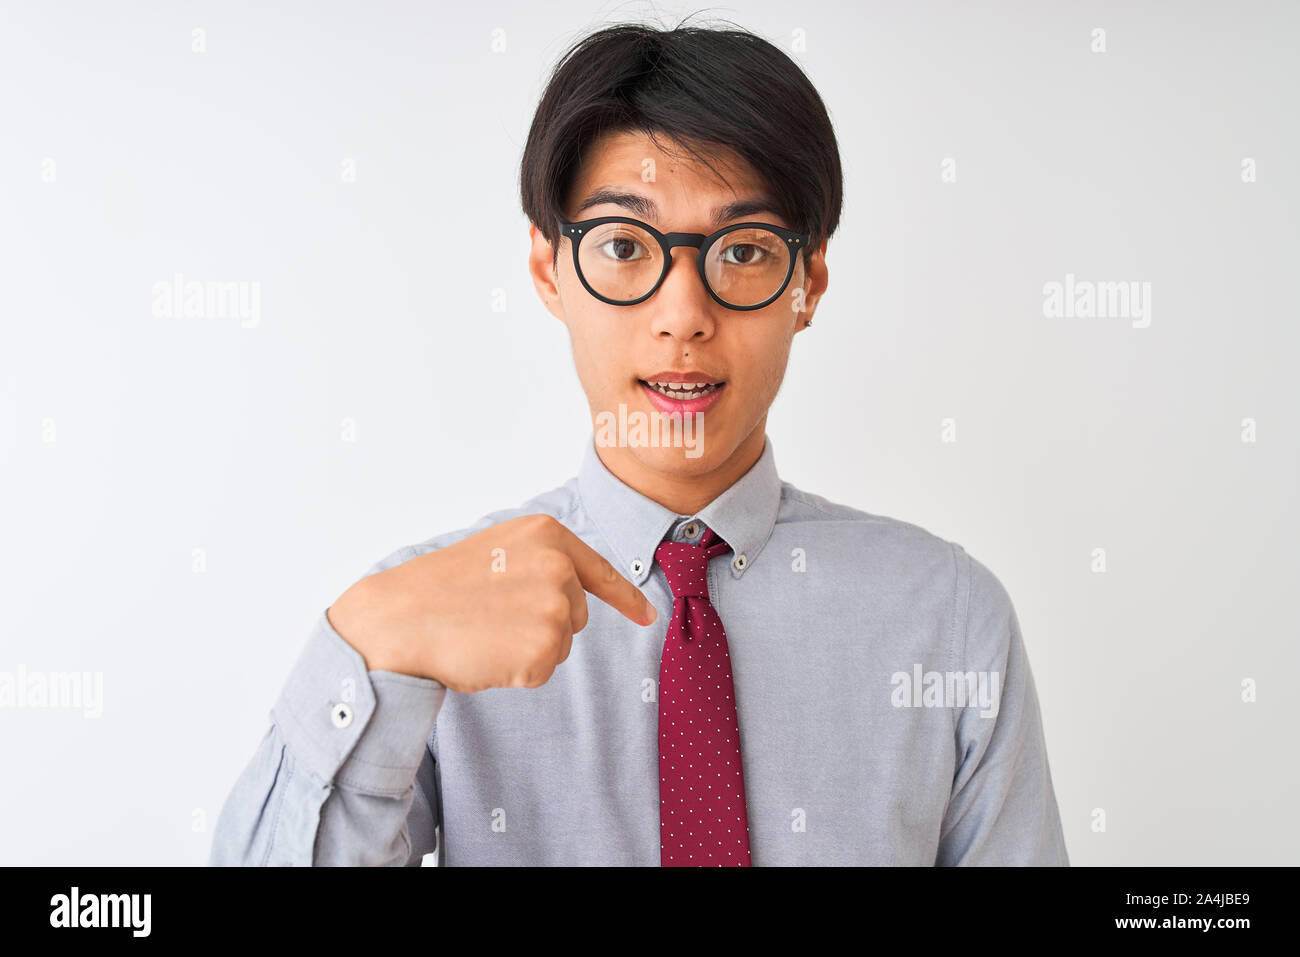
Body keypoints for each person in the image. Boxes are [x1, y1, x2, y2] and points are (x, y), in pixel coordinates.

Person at [210, 19, 1068, 866]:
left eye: (744, 250)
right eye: (624, 245)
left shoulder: (950, 621)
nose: (684, 315)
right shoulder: (439, 620)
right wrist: (364, 642)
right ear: (549, 271)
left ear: (808, 285)